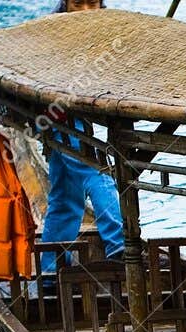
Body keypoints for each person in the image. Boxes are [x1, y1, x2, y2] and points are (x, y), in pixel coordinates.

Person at [39, 0, 124, 273]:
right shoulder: (51, 32)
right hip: (65, 121)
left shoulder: (113, 31)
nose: (86, 11)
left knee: (65, 196)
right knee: (97, 175)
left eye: (93, 3)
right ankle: (120, 245)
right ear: (66, 4)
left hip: (72, 121)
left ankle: (51, 270)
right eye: (78, 3)